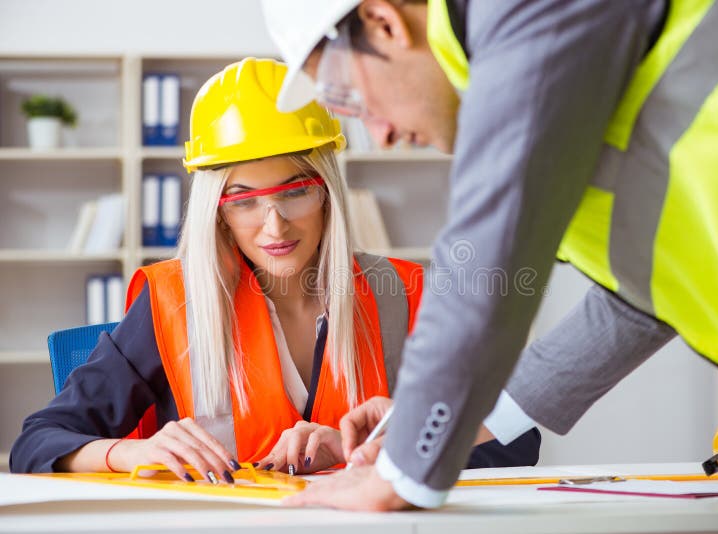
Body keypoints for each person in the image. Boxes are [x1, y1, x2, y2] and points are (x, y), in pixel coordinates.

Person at [261, 0, 718, 527]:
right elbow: (641, 298)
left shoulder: (524, 11)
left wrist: (403, 472)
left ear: (384, 21)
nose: (380, 134)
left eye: (347, 95)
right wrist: (421, 429)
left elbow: (490, 233)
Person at [10, 57, 541, 481]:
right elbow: (38, 441)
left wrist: (387, 447)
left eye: (295, 192)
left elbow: (517, 439)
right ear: (215, 210)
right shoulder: (173, 302)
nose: (274, 227)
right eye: (243, 200)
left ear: (328, 192)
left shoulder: (400, 293)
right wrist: (133, 453)